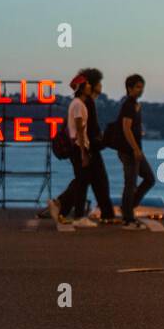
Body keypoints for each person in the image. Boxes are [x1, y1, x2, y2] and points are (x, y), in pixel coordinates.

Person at [48, 69, 102, 228]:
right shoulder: (78, 104)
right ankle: (74, 213)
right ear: (81, 87)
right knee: (82, 181)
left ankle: (62, 205)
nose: (89, 87)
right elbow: (79, 129)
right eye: (87, 85)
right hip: (78, 147)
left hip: (79, 147)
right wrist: (84, 153)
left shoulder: (78, 104)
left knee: (82, 180)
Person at [115, 74, 156, 229]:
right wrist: (135, 149)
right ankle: (128, 219)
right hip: (129, 150)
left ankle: (127, 209)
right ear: (129, 88)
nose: (141, 90)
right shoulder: (128, 105)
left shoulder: (134, 105)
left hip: (134, 150)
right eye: (138, 87)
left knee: (149, 179)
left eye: (142, 87)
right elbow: (126, 128)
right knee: (130, 183)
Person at [81, 70, 118, 224]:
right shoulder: (88, 102)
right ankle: (107, 215)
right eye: (99, 82)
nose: (101, 85)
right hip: (90, 147)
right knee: (98, 181)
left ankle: (107, 214)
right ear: (92, 84)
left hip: (89, 146)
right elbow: (87, 128)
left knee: (93, 182)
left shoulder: (88, 102)